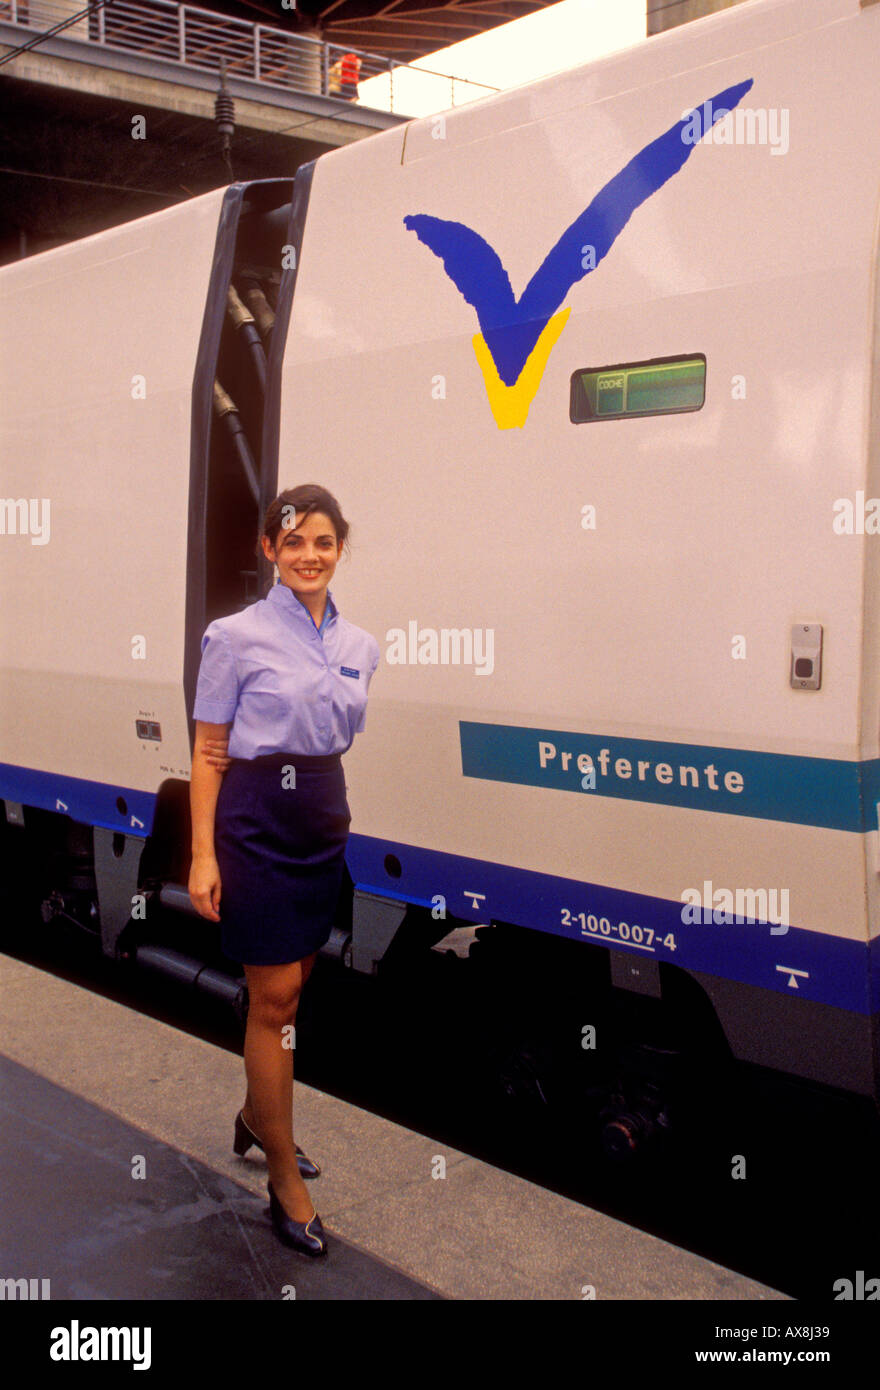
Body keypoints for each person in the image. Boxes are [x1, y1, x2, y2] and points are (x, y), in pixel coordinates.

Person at [188, 483, 380, 1256]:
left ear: (340, 550)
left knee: (295, 987)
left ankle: (254, 1117)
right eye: (293, 542)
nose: (309, 556)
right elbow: (209, 751)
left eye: (323, 543)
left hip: (321, 812)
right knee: (275, 1000)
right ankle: (281, 1177)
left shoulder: (361, 645)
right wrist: (203, 853)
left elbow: (336, 738)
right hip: (257, 817)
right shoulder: (232, 637)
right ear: (270, 550)